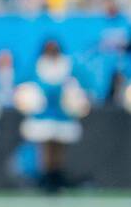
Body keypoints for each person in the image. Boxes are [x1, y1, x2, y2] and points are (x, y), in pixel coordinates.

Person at [16, 38, 89, 193]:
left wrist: (77, 99)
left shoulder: (68, 65)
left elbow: (82, 84)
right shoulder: (36, 66)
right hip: (43, 115)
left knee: (59, 148)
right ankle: (47, 179)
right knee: (45, 149)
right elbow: (23, 85)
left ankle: (57, 177)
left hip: (63, 115)